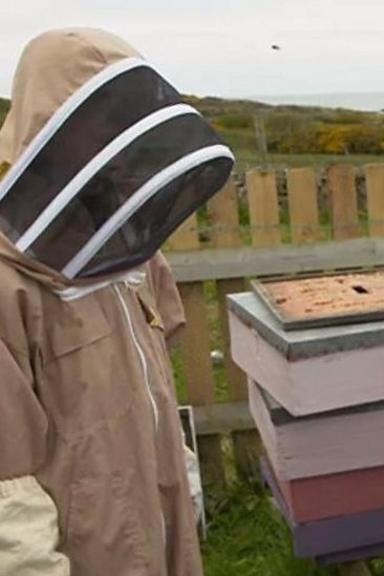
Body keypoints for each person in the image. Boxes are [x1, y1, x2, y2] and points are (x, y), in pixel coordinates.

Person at [0, 28, 234, 576]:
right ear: (50, 125)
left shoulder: (134, 255)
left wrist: (183, 469)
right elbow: (6, 481)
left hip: (159, 516)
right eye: (95, 121)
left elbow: (149, 382)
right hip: (82, 549)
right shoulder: (10, 286)